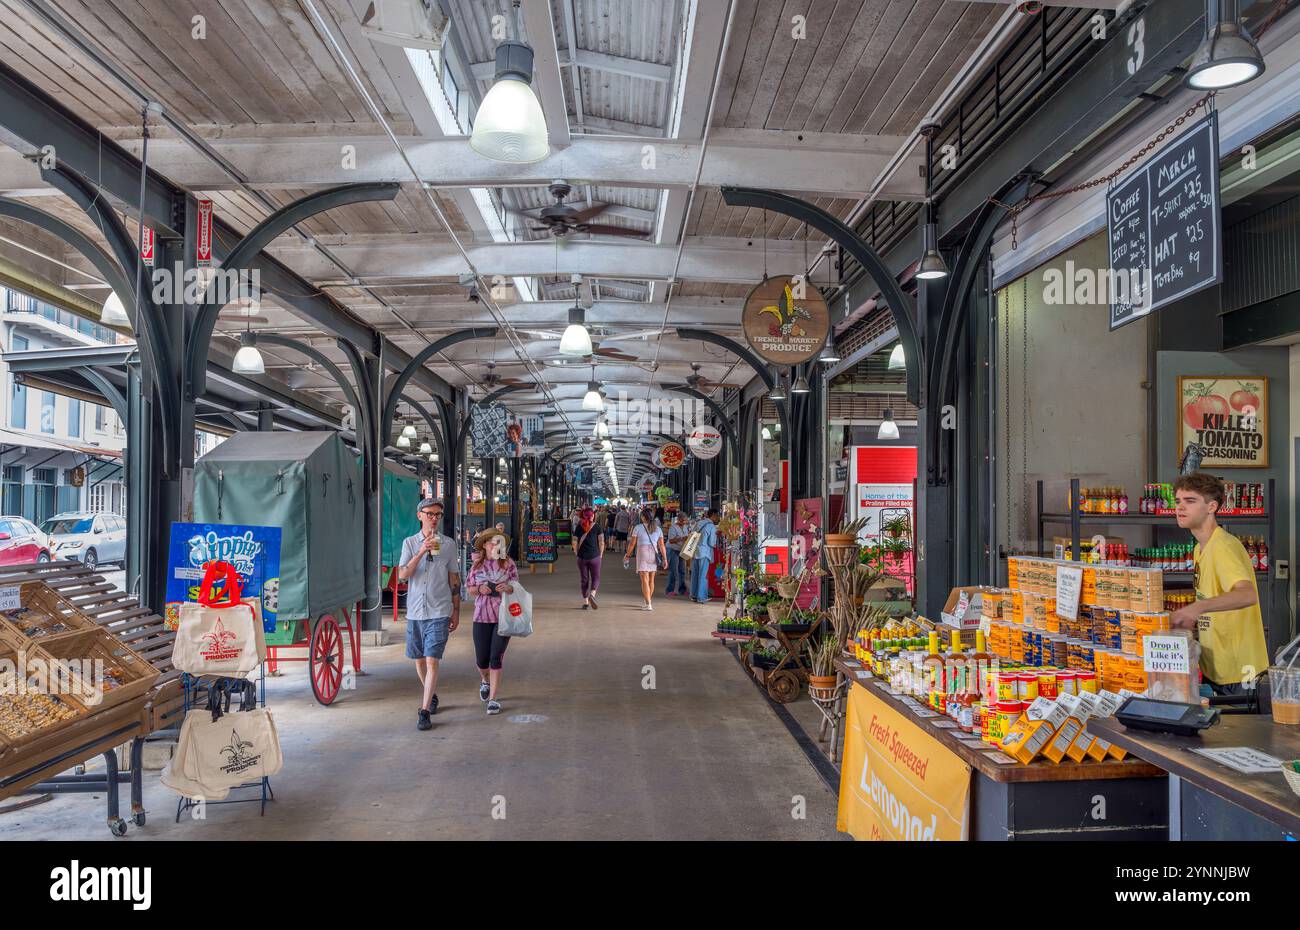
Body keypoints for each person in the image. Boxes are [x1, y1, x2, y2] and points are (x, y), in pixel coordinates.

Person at [1168, 472, 1268, 695]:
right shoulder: (1199, 548)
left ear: (1212, 506)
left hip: (1239, 670)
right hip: (1217, 666)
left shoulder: (1223, 546)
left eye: (1190, 501)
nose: (1180, 507)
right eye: (1178, 501)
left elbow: (1247, 595)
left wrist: (1197, 607)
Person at [397, 498, 460, 731]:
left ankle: (424, 711)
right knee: (419, 659)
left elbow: (454, 578)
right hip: (415, 610)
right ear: (419, 515)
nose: (434, 518)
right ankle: (430, 693)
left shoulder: (449, 545)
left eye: (438, 514)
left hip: (439, 609)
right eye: (430, 513)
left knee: (433, 658)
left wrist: (456, 610)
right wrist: (422, 551)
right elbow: (403, 575)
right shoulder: (409, 543)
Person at [465, 527, 519, 715]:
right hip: (481, 616)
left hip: (503, 616)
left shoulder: (508, 564)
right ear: (485, 545)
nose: (495, 545)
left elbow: (516, 587)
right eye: (492, 542)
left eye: (498, 542)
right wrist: (479, 589)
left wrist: (508, 588)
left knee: (496, 657)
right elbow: (469, 588)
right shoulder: (477, 566)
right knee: (482, 659)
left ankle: (494, 699)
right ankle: (485, 680)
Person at [624, 508, 667, 610]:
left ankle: (648, 604)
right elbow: (662, 546)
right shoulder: (658, 529)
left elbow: (632, 544)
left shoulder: (637, 528)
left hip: (642, 553)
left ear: (643, 517)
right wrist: (665, 559)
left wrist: (627, 555)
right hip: (654, 553)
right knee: (651, 579)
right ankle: (648, 601)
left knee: (644, 580)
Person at [573, 506, 605, 609]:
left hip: (582, 558)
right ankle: (592, 595)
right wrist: (600, 554)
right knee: (596, 577)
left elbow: (574, 542)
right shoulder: (597, 527)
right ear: (592, 516)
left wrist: (577, 553)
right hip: (594, 556)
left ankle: (586, 602)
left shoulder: (578, 527)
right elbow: (601, 542)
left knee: (584, 579)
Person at [691, 509, 720, 604]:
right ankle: (701, 597)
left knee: (695, 575)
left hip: (695, 552)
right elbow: (712, 543)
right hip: (704, 553)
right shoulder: (711, 526)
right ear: (713, 515)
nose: (718, 518)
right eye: (717, 516)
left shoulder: (699, 523)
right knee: (703, 576)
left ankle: (694, 595)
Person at [665, 511, 690, 597]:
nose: (684, 522)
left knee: (682, 570)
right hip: (673, 550)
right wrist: (682, 538)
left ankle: (682, 589)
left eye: (685, 520)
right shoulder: (673, 528)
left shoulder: (685, 527)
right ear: (679, 520)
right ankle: (670, 590)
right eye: (683, 520)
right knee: (673, 570)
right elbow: (671, 540)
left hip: (682, 550)